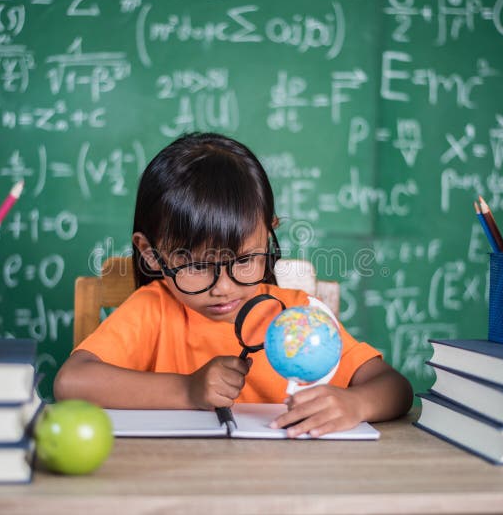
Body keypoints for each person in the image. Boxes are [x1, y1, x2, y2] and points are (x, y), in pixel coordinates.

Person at [54, 132, 412, 437]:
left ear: (269, 234)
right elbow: (71, 382)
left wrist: (355, 403)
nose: (223, 287)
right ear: (150, 254)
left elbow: (395, 387)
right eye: (195, 265)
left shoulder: (298, 317)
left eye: (243, 261)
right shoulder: (154, 309)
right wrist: (188, 389)